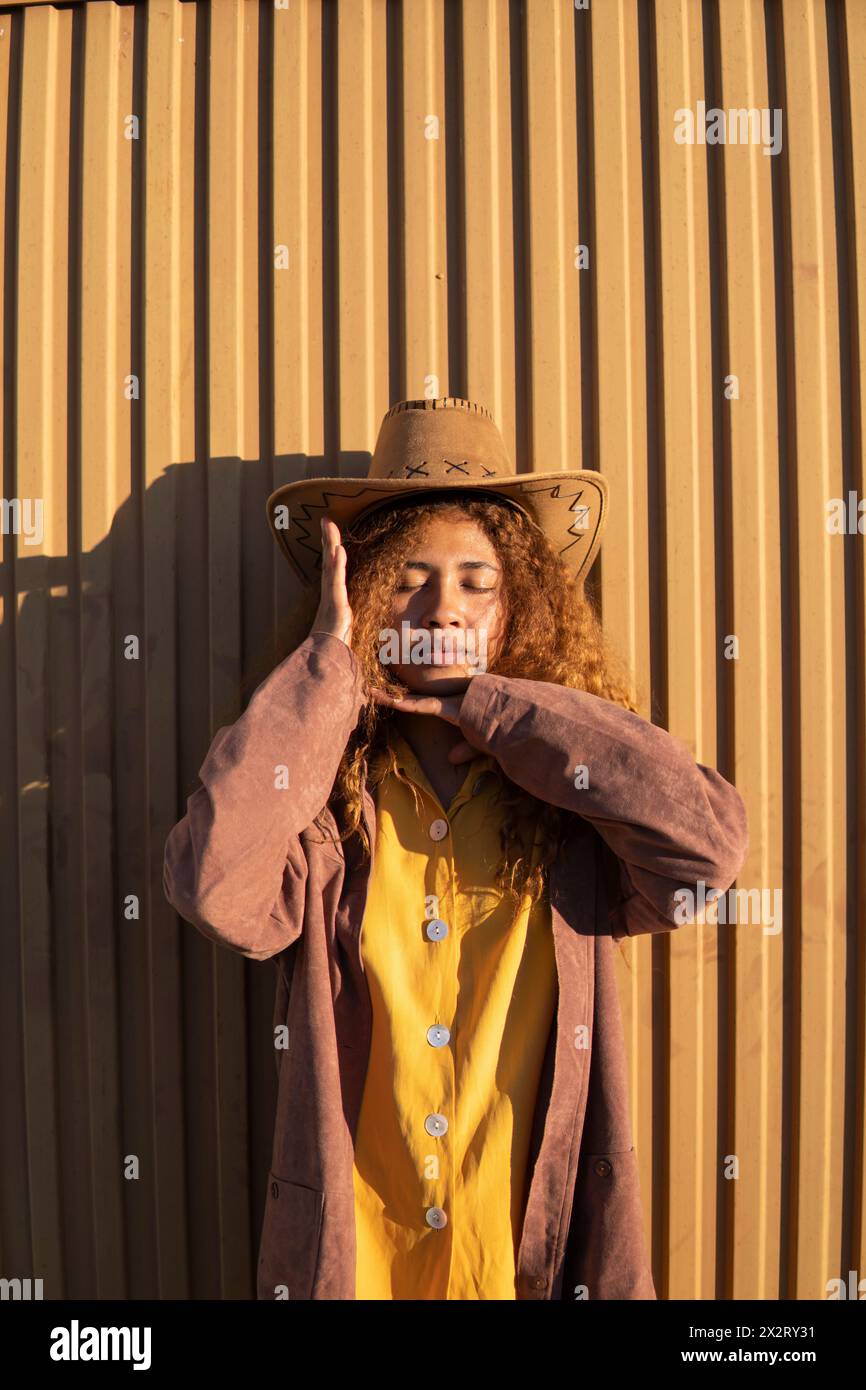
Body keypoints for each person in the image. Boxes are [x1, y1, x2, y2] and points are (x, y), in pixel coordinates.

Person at [163, 397, 749, 1301]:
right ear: (361, 592)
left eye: (479, 580)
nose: (443, 606)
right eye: (409, 577)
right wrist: (328, 670)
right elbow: (215, 889)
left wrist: (506, 709)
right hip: (360, 1267)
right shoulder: (325, 814)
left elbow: (704, 851)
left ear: (522, 606)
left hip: (527, 1266)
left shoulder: (573, 820)